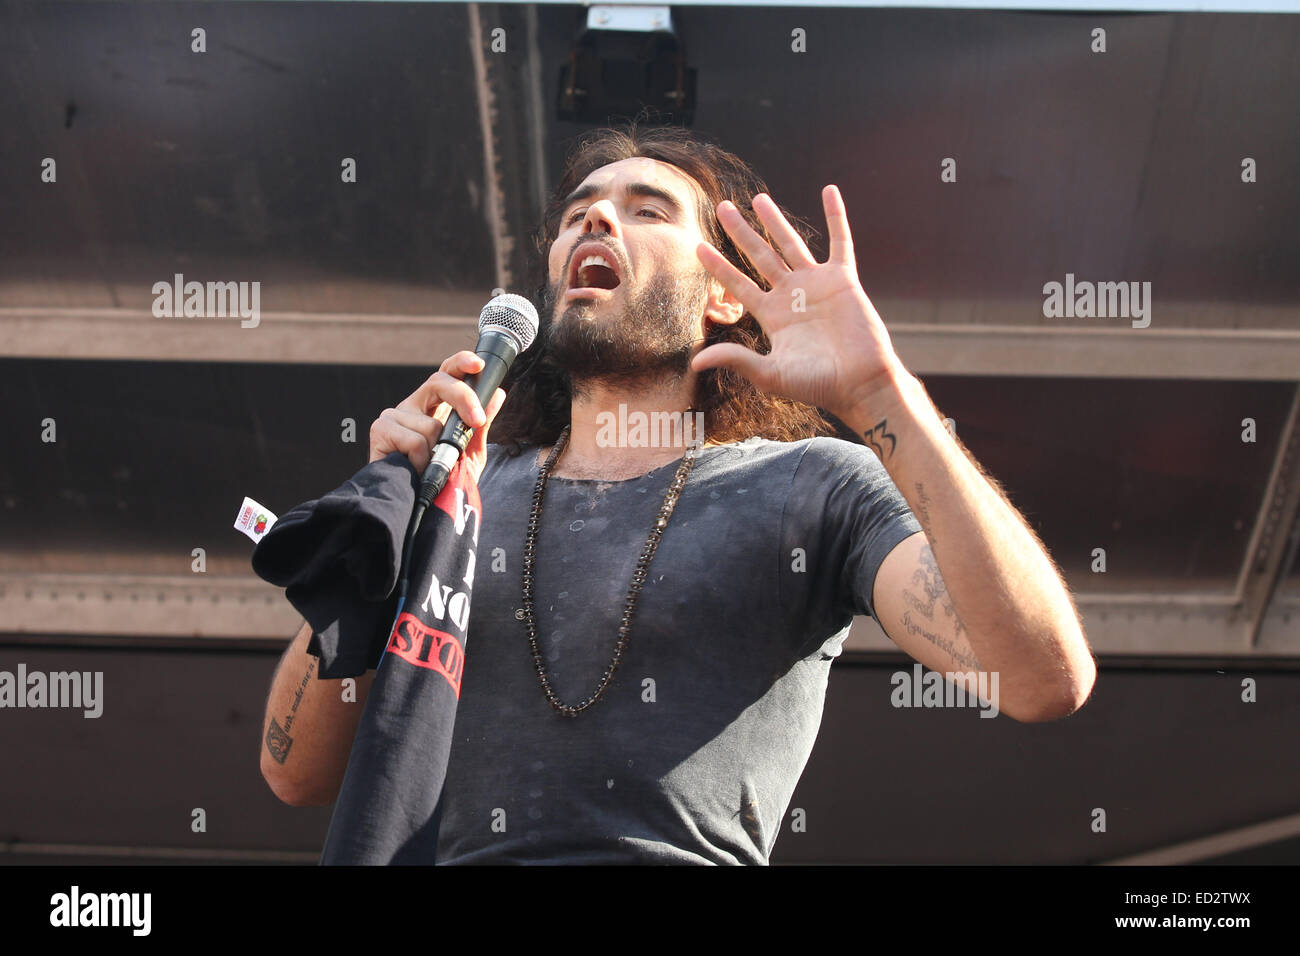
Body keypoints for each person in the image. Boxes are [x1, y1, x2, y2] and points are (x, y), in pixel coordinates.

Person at [259, 122, 1096, 864]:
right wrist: (381, 528)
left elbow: (1037, 678)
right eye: (579, 210)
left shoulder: (808, 487)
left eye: (648, 209)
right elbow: (294, 771)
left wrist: (881, 395)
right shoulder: (463, 496)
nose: (596, 219)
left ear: (724, 297)